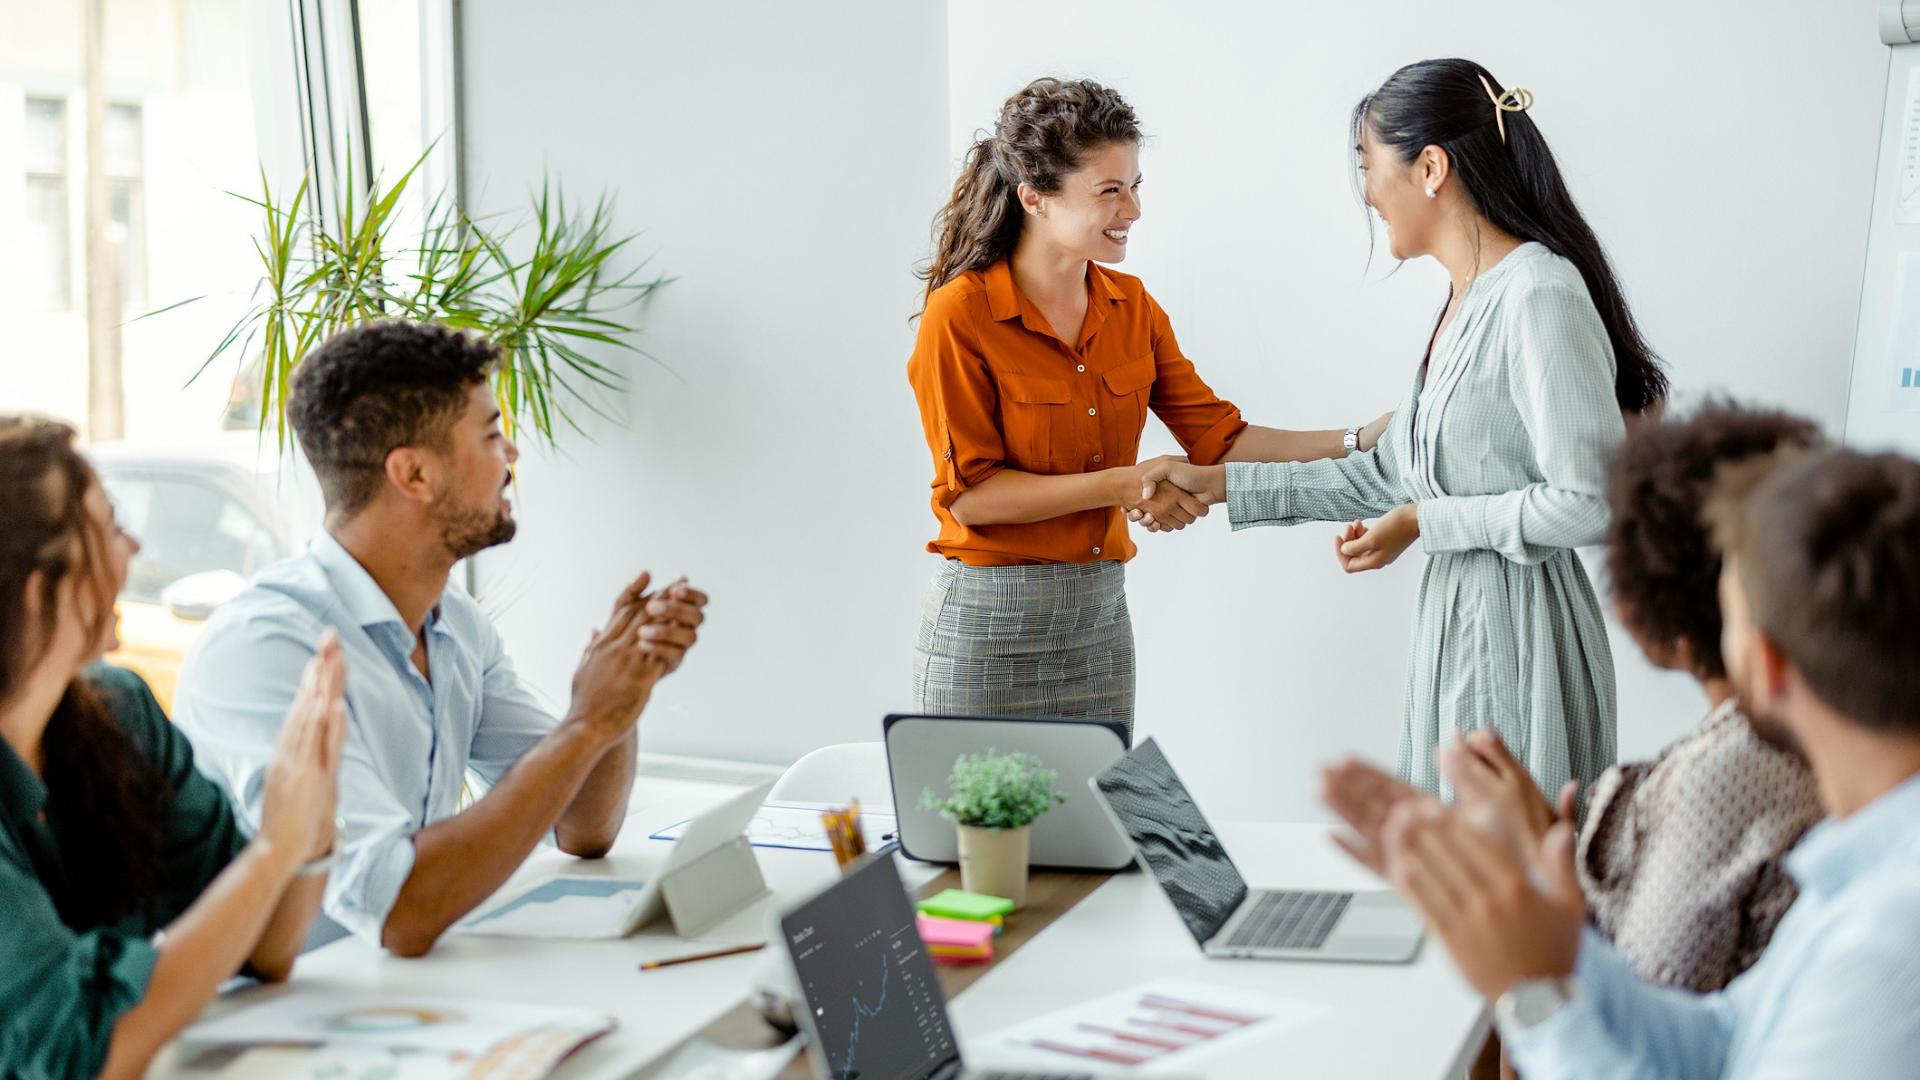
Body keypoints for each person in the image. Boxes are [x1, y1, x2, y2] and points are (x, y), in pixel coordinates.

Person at [1142, 59, 1666, 806]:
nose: (1366, 194)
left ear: (1430, 168)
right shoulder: (1466, 301)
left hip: (1522, 645)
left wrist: (1426, 522)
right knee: (1452, 861)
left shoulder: (1538, 293)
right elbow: (1389, 473)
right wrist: (1216, 485)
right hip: (1458, 630)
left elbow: (1589, 503)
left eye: (1368, 164)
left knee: (1498, 867)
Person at [1331, 447, 1920, 1078]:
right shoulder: (1865, 865)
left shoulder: (1889, 944)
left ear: (1767, 665)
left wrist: (1532, 997)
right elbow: (1718, 1039)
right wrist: (1559, 946)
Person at [175, 320, 707, 957]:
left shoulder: (454, 622)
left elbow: (583, 826)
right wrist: (585, 725)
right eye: (491, 436)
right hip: (280, 1006)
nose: (511, 456)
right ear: (415, 474)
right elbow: (400, 911)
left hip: (397, 988)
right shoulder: (267, 648)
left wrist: (621, 696)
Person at [909, 76, 1390, 734]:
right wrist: (1127, 484)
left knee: (1109, 806)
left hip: (1101, 622)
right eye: (1109, 190)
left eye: (1135, 186)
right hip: (988, 630)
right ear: (1035, 197)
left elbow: (1219, 438)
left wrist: (1359, 439)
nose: (1132, 209)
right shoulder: (960, 315)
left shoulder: (1133, 308)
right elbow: (973, 497)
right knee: (984, 810)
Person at [1326, 401, 1825, 994]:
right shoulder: (1800, 756)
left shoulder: (1721, 781)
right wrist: (1551, 855)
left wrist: (1522, 922)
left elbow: (1635, 1014)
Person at [0, 417, 345, 1079]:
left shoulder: (123, 714)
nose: (133, 548)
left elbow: (268, 946)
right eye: (109, 529)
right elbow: (85, 1052)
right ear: (40, 592)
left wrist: (310, 814)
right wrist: (274, 849)